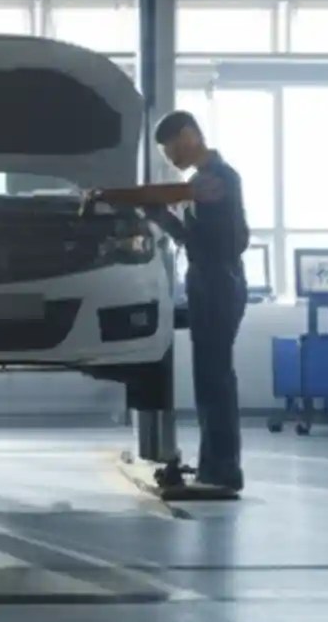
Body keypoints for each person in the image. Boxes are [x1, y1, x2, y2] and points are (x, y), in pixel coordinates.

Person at [85, 110, 249, 494]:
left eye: (171, 147)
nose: (170, 157)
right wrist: (161, 217)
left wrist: (110, 196)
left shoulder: (216, 180)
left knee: (216, 378)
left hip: (218, 280)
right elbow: (194, 236)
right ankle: (215, 468)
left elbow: (176, 201)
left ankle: (224, 471)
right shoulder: (202, 182)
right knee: (210, 377)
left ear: (190, 134)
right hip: (210, 278)